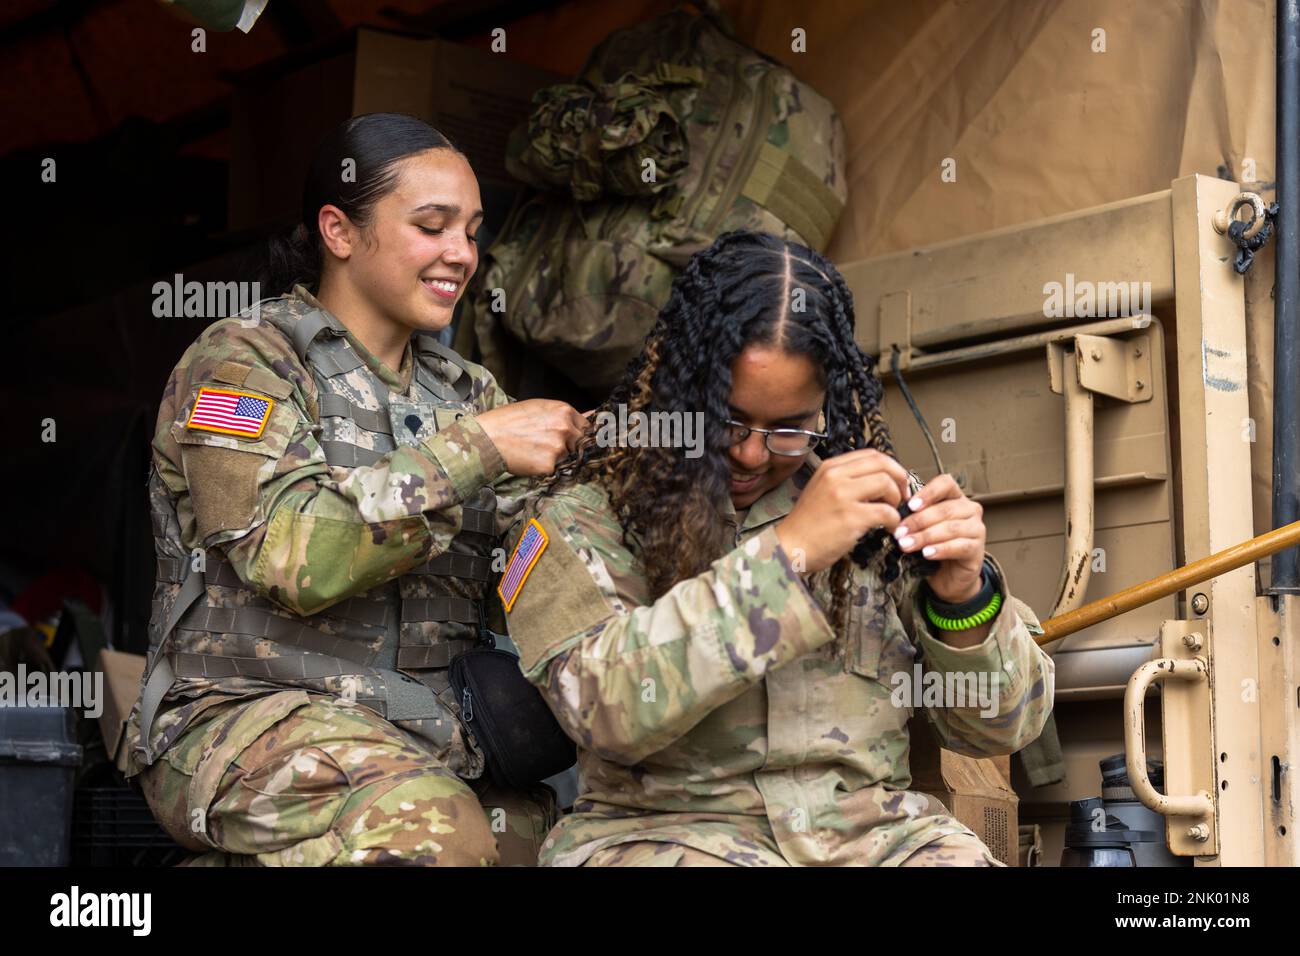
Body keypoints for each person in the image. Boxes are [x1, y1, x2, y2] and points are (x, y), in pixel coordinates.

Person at [499, 229, 1056, 866]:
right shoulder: (585, 509)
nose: (751, 453)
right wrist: (787, 555)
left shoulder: (877, 509)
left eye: (789, 429)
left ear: (828, 410)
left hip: (876, 839)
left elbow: (996, 729)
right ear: (681, 388)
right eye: (727, 419)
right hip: (667, 838)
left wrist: (966, 602)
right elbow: (604, 711)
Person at [123, 113, 587, 866]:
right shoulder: (245, 362)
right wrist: (479, 450)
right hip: (240, 721)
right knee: (433, 833)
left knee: (559, 845)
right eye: (432, 227)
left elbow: (545, 559)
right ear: (339, 232)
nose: (461, 254)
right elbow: (291, 556)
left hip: (419, 727)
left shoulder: (467, 389)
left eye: (471, 231)